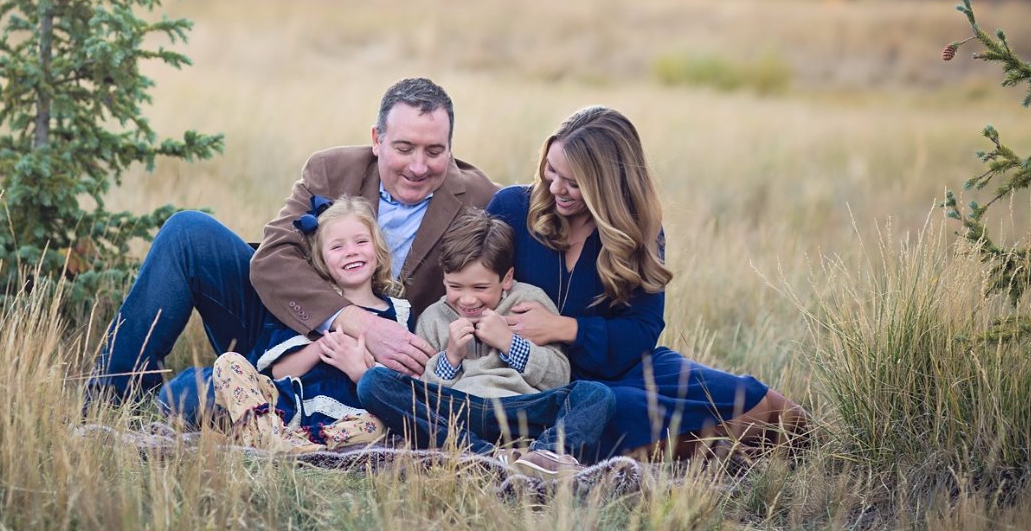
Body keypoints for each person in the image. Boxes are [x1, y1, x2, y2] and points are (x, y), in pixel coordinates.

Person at [86, 77, 499, 416]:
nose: (418, 166)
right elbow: (272, 259)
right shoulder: (331, 170)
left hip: (378, 371)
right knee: (187, 232)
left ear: (450, 148)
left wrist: (538, 326)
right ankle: (112, 397)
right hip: (284, 326)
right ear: (377, 140)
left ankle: (242, 396)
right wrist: (357, 322)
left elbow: (522, 251)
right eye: (404, 148)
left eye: (434, 151)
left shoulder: (482, 198)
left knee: (202, 399)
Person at [481, 105, 808, 459]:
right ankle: (704, 448)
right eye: (551, 170)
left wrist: (564, 328)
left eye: (574, 183)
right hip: (542, 376)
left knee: (763, 406)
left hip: (625, 366)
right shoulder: (512, 208)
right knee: (615, 407)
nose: (556, 187)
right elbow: (471, 286)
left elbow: (642, 328)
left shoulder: (637, 230)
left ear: (606, 185)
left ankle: (718, 446)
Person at [358, 209, 615, 477]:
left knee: (596, 394)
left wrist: (509, 343)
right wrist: (450, 357)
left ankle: (542, 456)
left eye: (480, 288)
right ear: (444, 277)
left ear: (506, 278)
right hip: (458, 412)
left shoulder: (528, 301)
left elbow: (558, 377)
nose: (467, 300)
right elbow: (423, 393)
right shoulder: (434, 317)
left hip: (521, 409)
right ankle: (482, 456)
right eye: (455, 287)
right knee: (373, 382)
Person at [212, 196, 404, 452]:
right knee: (228, 363)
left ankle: (301, 446)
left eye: (361, 242)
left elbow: (400, 387)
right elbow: (280, 372)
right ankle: (266, 433)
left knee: (379, 425)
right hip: (289, 407)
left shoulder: (398, 313)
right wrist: (323, 346)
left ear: (378, 252)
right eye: (337, 247)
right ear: (322, 261)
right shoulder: (311, 305)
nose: (351, 251)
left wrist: (359, 370)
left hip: (351, 416)